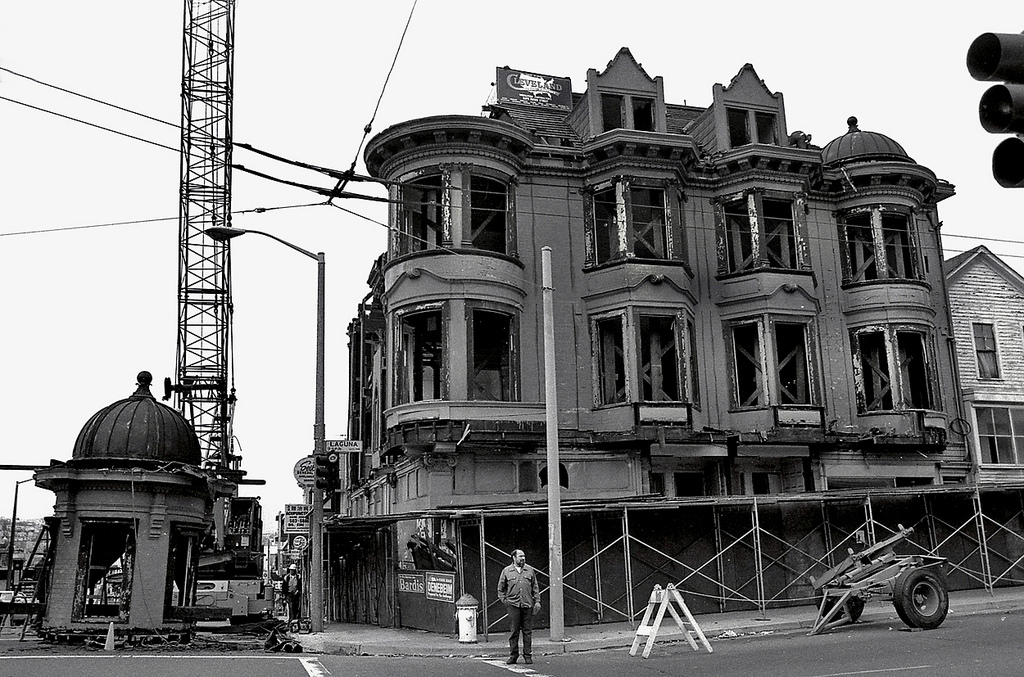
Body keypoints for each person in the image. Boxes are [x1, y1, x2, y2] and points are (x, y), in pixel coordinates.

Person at [497, 549, 541, 665]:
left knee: (527, 631)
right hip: (513, 605)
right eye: (520, 556)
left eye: (524, 556)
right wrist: (505, 601)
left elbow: (535, 587)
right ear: (514, 558)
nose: (523, 558)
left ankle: (527, 655)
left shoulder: (530, 570)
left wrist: (537, 601)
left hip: (527, 604)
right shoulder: (506, 571)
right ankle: (513, 655)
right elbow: (500, 588)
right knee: (514, 631)